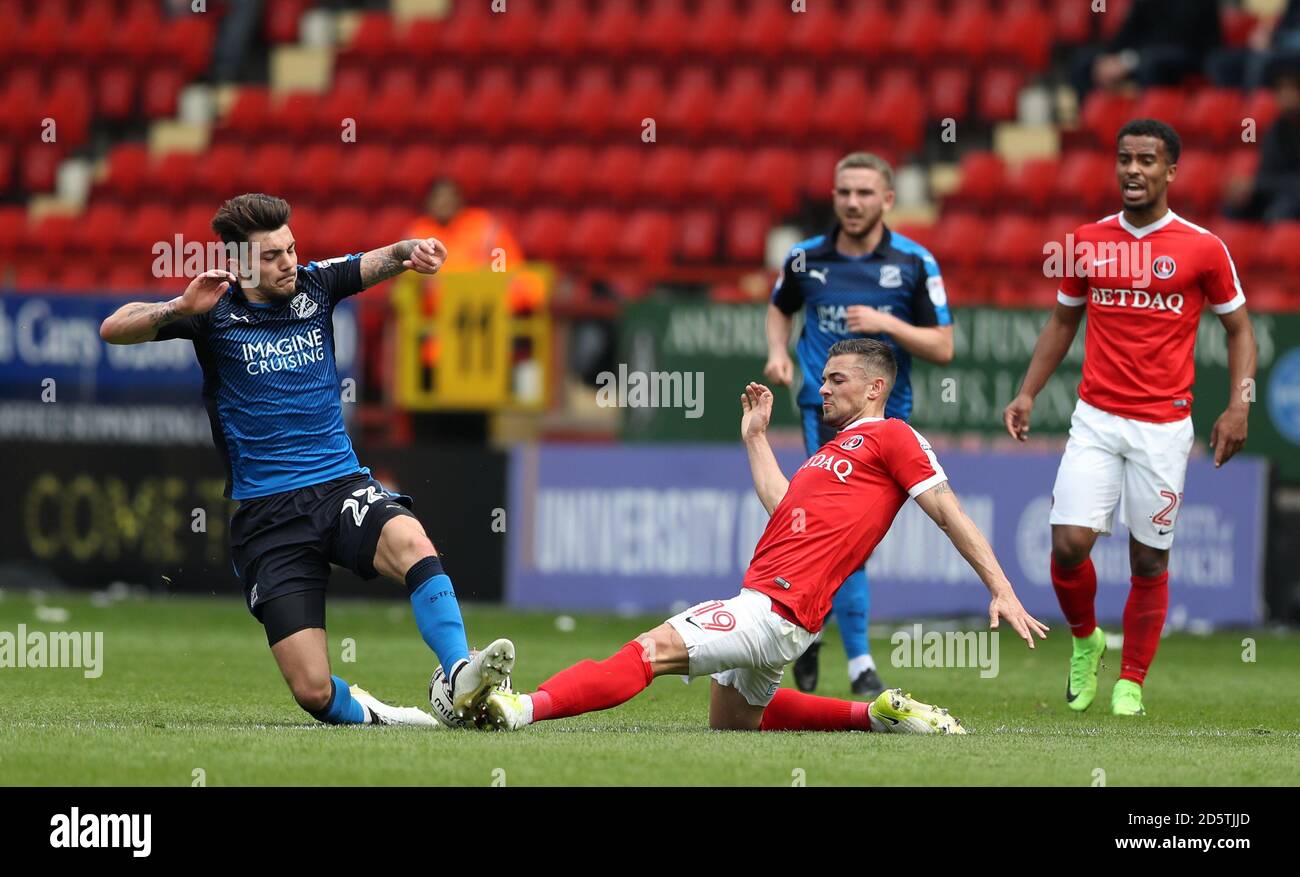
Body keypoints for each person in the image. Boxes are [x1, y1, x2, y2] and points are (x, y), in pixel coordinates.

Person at [481, 340, 1048, 734]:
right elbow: (785, 508)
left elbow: (948, 512)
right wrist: (755, 439)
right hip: (780, 609)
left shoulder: (894, 437)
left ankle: (522, 707)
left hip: (776, 605)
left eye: (836, 380)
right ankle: (875, 716)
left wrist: (999, 588)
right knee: (732, 722)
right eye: (823, 378)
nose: (822, 389)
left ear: (876, 388)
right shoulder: (835, 451)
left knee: (649, 651)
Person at [99, 193, 515, 727]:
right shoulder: (211, 314)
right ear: (243, 263)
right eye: (273, 256)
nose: (289, 262)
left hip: (339, 487)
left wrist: (412, 249)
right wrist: (178, 309)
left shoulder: (316, 286)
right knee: (313, 691)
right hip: (267, 517)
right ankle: (393, 716)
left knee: (411, 539)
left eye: (292, 249)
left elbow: (375, 259)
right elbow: (114, 328)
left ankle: (459, 672)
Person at [1003, 120, 1257, 717]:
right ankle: (1087, 640)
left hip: (1164, 428)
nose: (1133, 170)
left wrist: (1240, 401)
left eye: (1147, 160)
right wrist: (1027, 393)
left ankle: (1131, 681)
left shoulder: (1202, 247)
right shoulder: (1088, 241)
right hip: (1094, 418)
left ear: (1171, 171)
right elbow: (1064, 321)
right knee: (1068, 545)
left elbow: (1240, 328)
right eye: (1125, 159)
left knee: (1149, 559)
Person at [763, 152, 954, 697]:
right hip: (823, 415)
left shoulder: (916, 263)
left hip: (891, 419)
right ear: (833, 196)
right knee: (839, 533)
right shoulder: (804, 259)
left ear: (887, 200)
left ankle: (811, 632)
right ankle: (860, 665)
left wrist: (887, 323)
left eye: (865, 193)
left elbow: (944, 345)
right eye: (844, 192)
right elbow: (780, 307)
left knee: (850, 540)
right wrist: (777, 350)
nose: (852, 202)